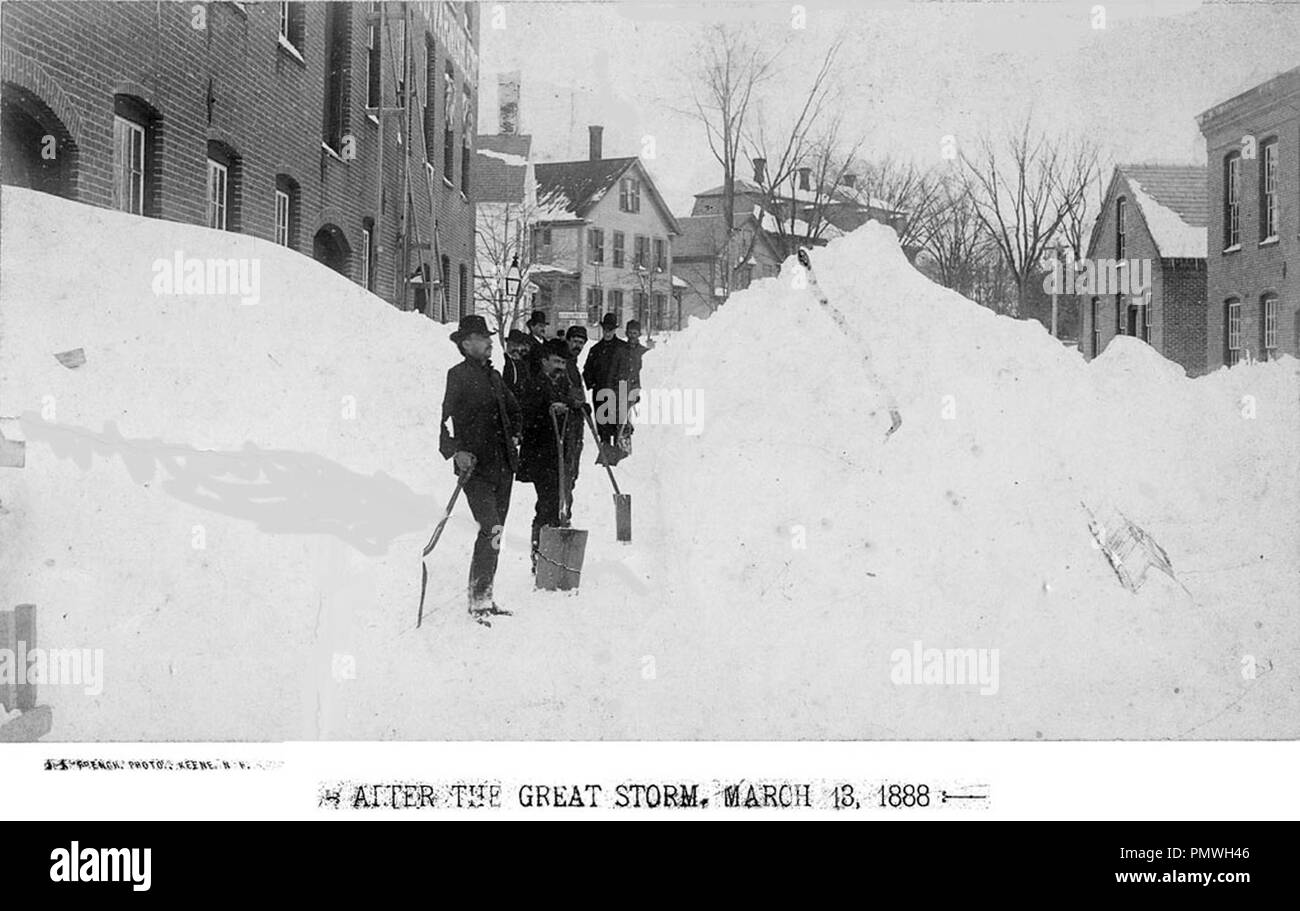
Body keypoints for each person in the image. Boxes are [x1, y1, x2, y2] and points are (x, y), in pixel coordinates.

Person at [439, 314, 522, 625]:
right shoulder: (457, 376)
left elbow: (514, 409)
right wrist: (456, 451)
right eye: (483, 338)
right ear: (466, 343)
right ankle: (478, 600)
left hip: (503, 466)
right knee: (489, 528)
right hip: (476, 469)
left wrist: (516, 432)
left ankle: (484, 595)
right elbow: (446, 419)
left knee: (496, 531)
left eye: (489, 338)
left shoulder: (494, 376)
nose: (490, 342)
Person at [517, 338, 585, 572]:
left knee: (560, 503)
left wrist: (574, 405)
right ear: (544, 360)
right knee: (547, 505)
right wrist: (549, 410)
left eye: (563, 363)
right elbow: (527, 416)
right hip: (541, 457)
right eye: (556, 361)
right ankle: (541, 558)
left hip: (561, 455)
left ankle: (553, 556)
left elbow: (573, 405)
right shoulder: (534, 383)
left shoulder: (562, 382)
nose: (560, 366)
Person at [582, 313, 630, 454]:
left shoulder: (623, 348)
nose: (607, 332)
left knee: (619, 426)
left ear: (615, 330)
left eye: (610, 329)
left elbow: (629, 371)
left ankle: (620, 453)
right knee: (603, 426)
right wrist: (593, 385)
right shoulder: (596, 350)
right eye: (605, 329)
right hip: (601, 394)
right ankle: (606, 453)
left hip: (619, 394)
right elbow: (587, 371)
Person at [562, 325, 590, 511]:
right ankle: (561, 514)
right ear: (568, 340)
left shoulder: (573, 364)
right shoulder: (562, 362)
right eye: (575, 341)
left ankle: (566, 511)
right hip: (563, 425)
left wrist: (583, 405)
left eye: (581, 343)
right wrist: (574, 402)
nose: (578, 346)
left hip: (575, 426)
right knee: (563, 471)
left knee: (572, 471)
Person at [502, 330, 532, 399]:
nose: (517, 348)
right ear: (507, 344)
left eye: (518, 345)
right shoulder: (504, 360)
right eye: (513, 345)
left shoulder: (522, 362)